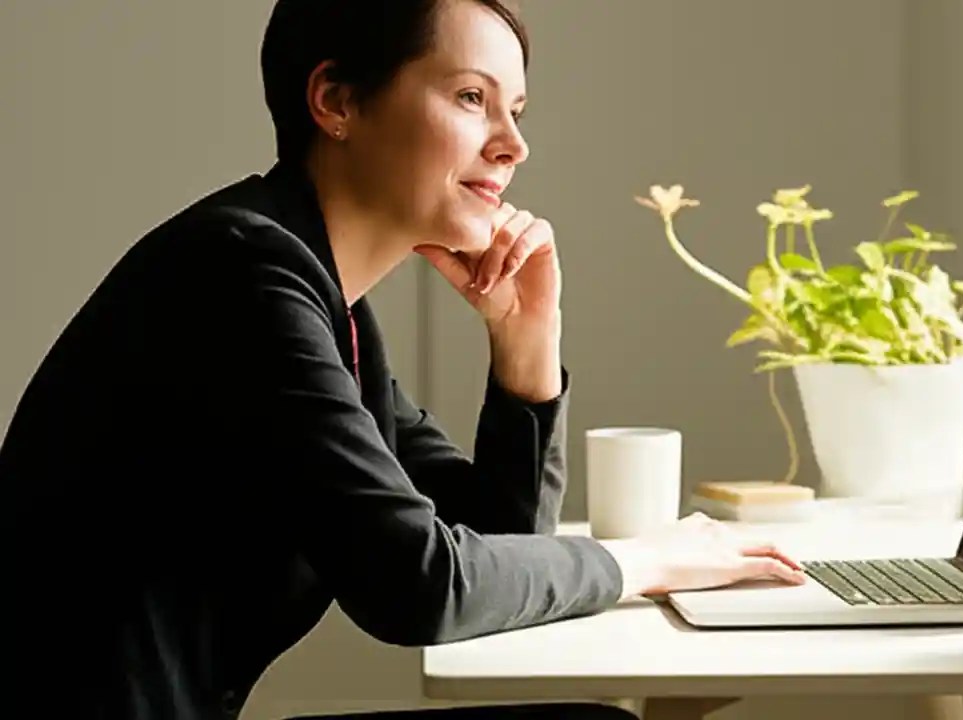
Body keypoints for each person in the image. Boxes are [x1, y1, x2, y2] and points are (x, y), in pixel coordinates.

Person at [0, 0, 809, 718]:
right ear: (337, 101)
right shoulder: (242, 275)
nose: (514, 145)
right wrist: (650, 562)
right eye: (472, 98)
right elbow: (418, 587)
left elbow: (494, 546)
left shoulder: (328, 307)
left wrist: (526, 346)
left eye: (516, 110)